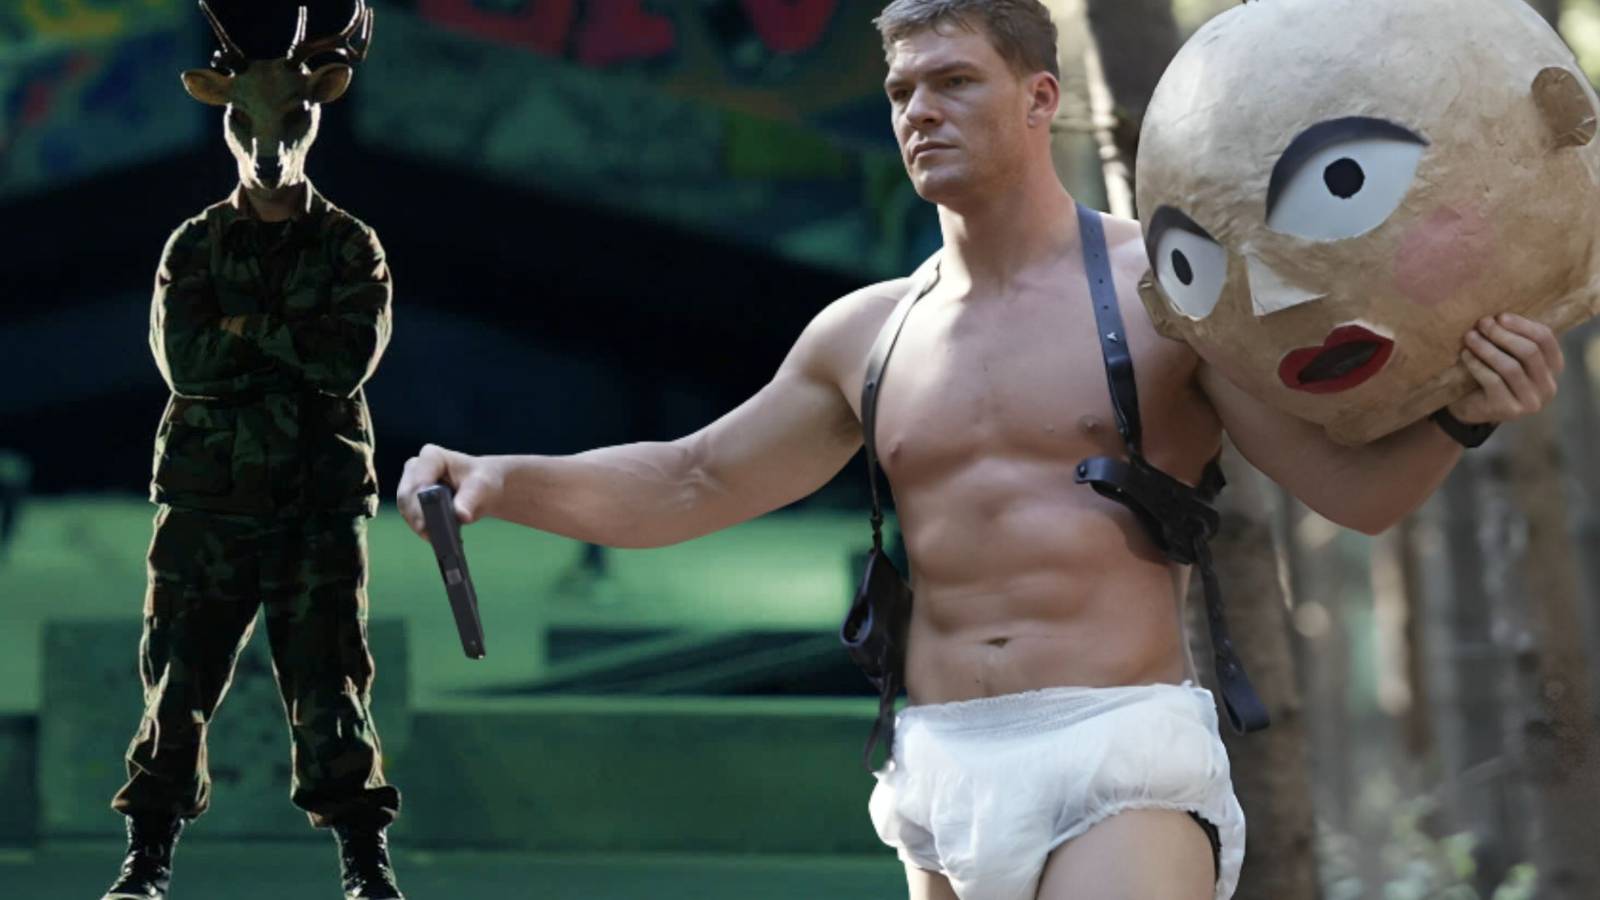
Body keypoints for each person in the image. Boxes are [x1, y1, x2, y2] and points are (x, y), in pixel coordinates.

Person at [396, 2, 1565, 897]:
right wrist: (504, 481)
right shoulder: (864, 333)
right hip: (938, 767)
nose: (919, 110)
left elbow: (1348, 493)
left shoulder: (1163, 292)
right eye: (901, 90)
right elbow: (693, 478)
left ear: (1039, 96)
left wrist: (1462, 416)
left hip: (1116, 757)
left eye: (954, 81)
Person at [104, 3, 404, 899]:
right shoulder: (195, 244)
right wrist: (290, 341)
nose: (268, 144)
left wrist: (243, 331)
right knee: (175, 685)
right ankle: (146, 857)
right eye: (245, 120)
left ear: (320, 111)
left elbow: (346, 359)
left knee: (332, 687)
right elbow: (187, 364)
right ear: (221, 113)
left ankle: (365, 862)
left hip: (314, 506)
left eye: (291, 119)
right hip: (208, 503)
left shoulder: (351, 244)